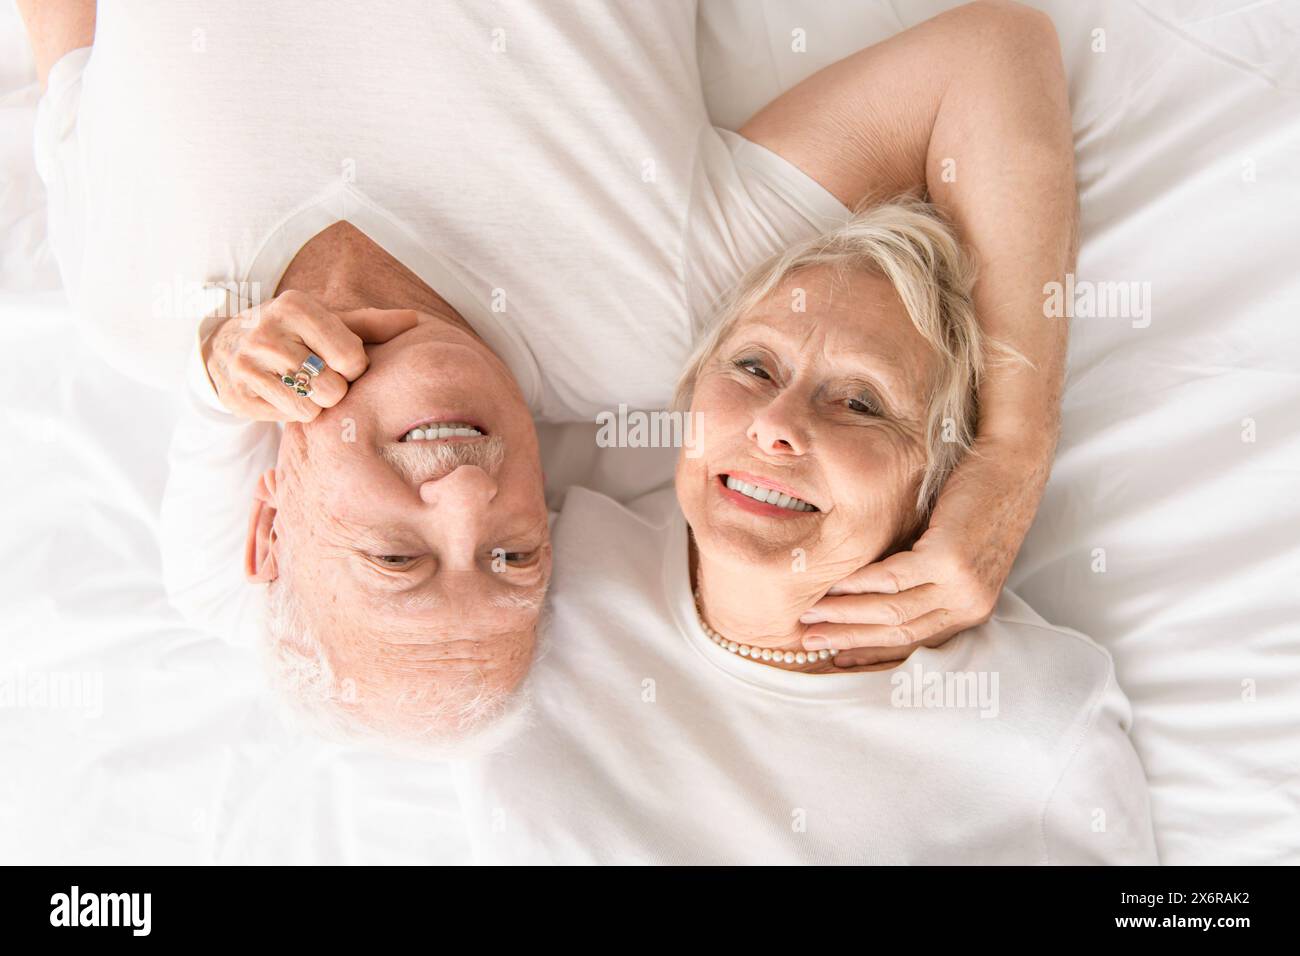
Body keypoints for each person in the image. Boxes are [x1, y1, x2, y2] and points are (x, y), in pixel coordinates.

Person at [22, 1, 1077, 750]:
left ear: (269, 520)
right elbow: (992, 58)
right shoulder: (654, 317)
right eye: (513, 551)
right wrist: (1012, 449)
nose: (469, 494)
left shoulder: (136, 300)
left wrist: (211, 359)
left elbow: (70, 43)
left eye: (397, 556)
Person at [451, 200, 1158, 863]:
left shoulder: (1035, 716)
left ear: (941, 484)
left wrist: (1014, 449)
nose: (777, 424)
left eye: (859, 402)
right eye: (754, 367)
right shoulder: (541, 572)